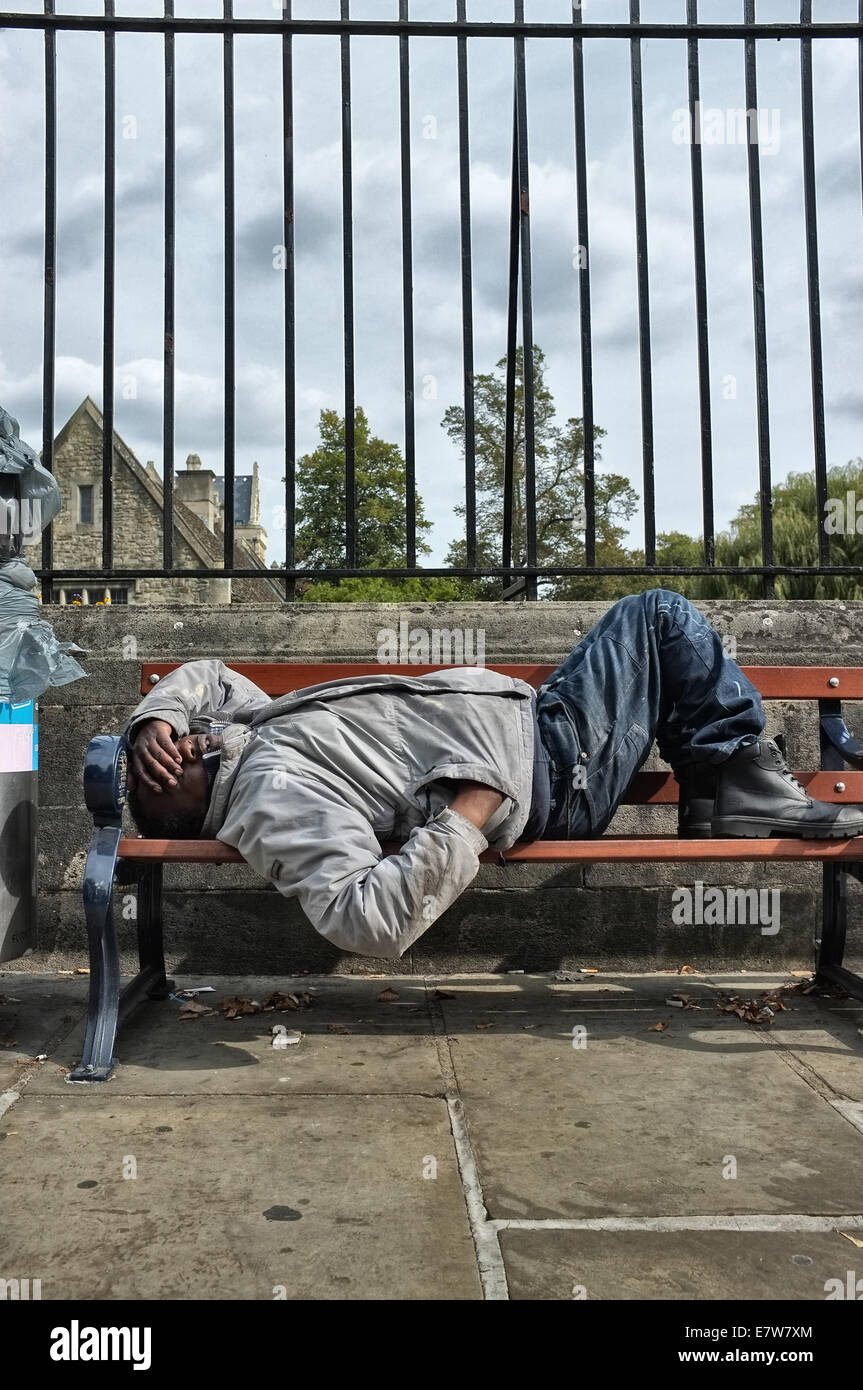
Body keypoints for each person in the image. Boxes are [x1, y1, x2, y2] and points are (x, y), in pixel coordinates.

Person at [125, 589, 863, 958]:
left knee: (654, 624)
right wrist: (470, 812)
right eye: (165, 770)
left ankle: (723, 791)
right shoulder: (269, 799)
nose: (181, 749)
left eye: (171, 745)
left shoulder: (252, 733)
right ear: (189, 814)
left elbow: (210, 675)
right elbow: (364, 919)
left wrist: (150, 719)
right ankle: (736, 786)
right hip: (548, 774)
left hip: (538, 726)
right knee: (659, 615)